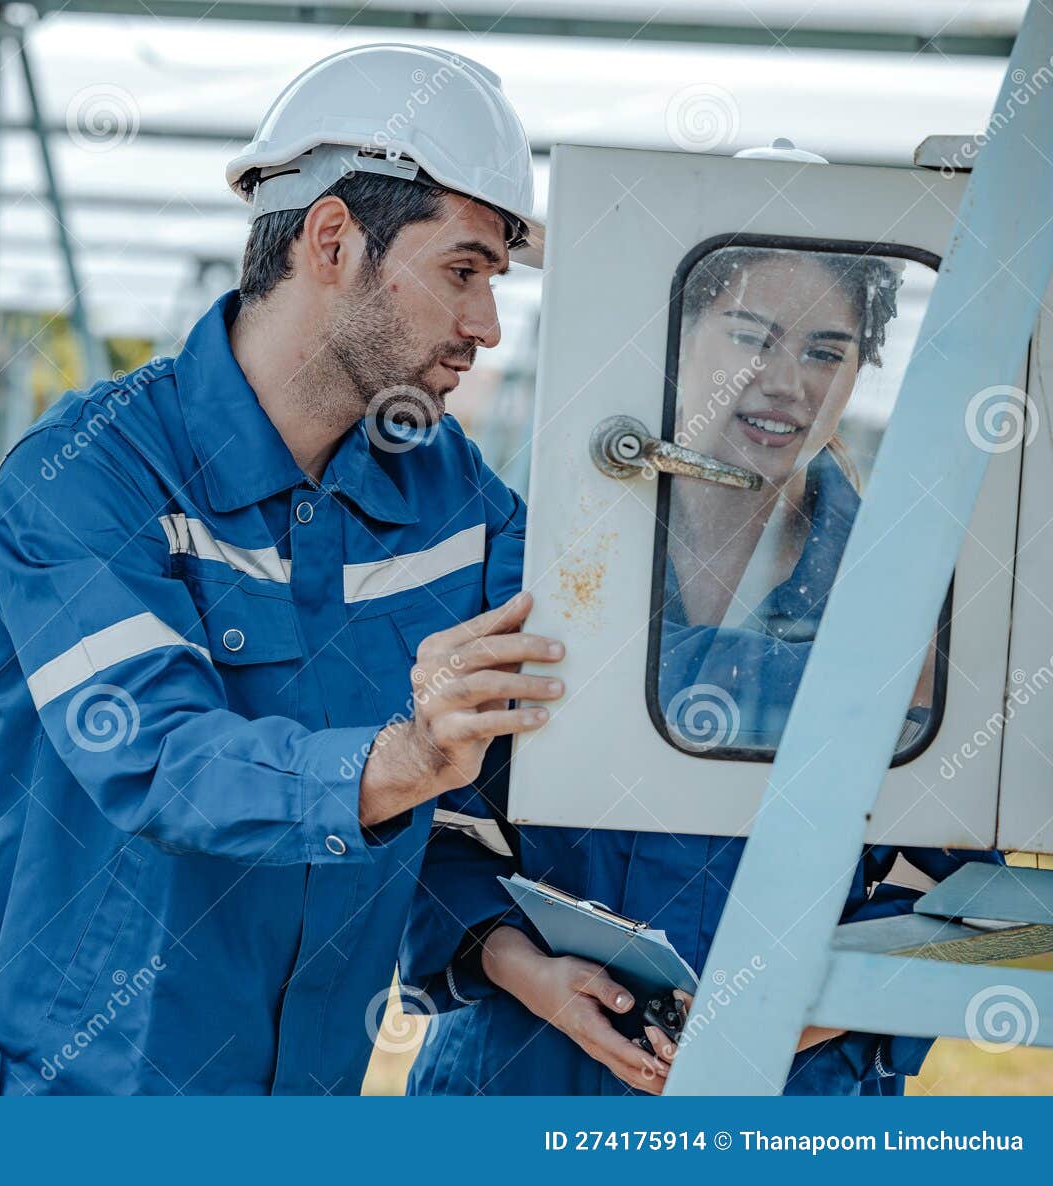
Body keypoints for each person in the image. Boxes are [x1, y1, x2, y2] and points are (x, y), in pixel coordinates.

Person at [0, 44, 577, 1095]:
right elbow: (159, 758)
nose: (488, 325)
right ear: (332, 238)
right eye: (461, 271)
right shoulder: (83, 478)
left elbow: (570, 686)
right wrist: (408, 757)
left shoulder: (448, 493)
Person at [401, 244, 1000, 1097]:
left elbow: (958, 895)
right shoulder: (536, 565)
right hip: (523, 1072)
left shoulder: (910, 599)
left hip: (782, 1094)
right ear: (672, 336)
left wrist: (776, 1024)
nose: (789, 380)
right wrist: (530, 972)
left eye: (827, 351)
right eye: (754, 337)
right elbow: (436, 827)